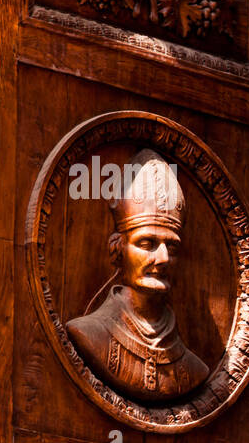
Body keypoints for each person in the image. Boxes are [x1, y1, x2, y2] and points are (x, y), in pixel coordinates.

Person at [66, 149, 209, 402]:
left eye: (172, 247)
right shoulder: (89, 334)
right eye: (147, 243)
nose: (163, 258)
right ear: (117, 249)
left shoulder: (193, 369)